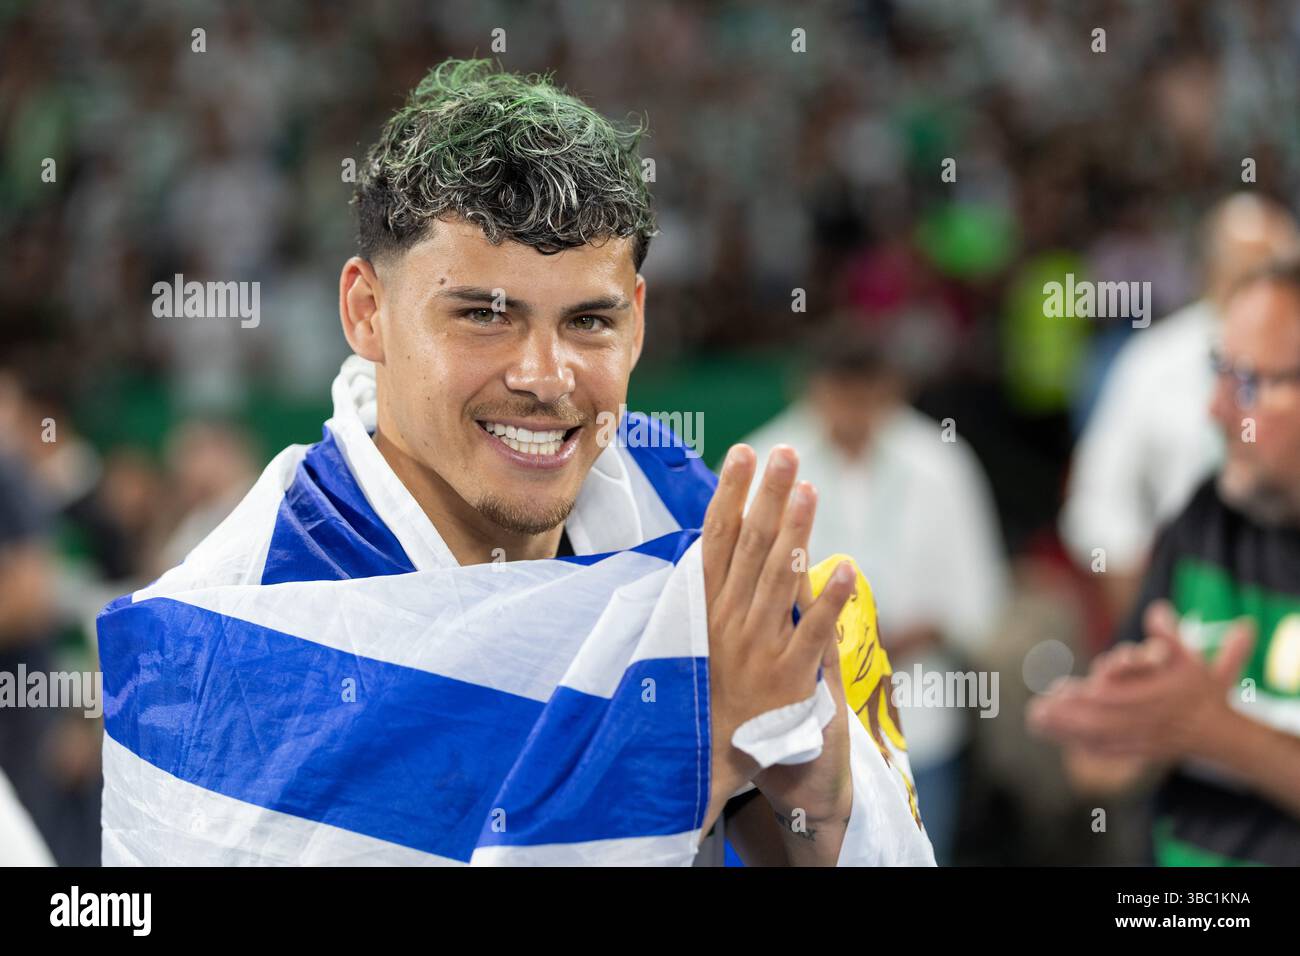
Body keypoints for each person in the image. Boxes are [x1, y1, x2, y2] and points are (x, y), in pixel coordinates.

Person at [97, 59, 934, 866]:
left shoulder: (689, 522)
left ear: (636, 323)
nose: (544, 377)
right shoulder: (222, 640)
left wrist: (820, 811)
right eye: (483, 317)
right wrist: (692, 770)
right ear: (366, 312)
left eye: (588, 323)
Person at [1029, 257, 1300, 866]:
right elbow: (1099, 772)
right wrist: (1121, 728)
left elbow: (1197, 726)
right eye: (1218, 371)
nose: (1217, 410)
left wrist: (1214, 731)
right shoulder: (1205, 516)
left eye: (1250, 384)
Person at [742, 334, 1008, 863]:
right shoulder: (771, 464)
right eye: (840, 392)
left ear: (892, 389)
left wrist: (888, 641)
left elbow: (980, 597)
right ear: (811, 388)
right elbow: (743, 600)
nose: (853, 409)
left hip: (919, 717)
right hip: (800, 733)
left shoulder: (941, 464)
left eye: (866, 394)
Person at [1060, 194, 1299, 620]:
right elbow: (1101, 494)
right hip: (1186, 592)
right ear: (1210, 272)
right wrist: (1142, 598)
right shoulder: (1154, 362)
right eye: (1244, 271)